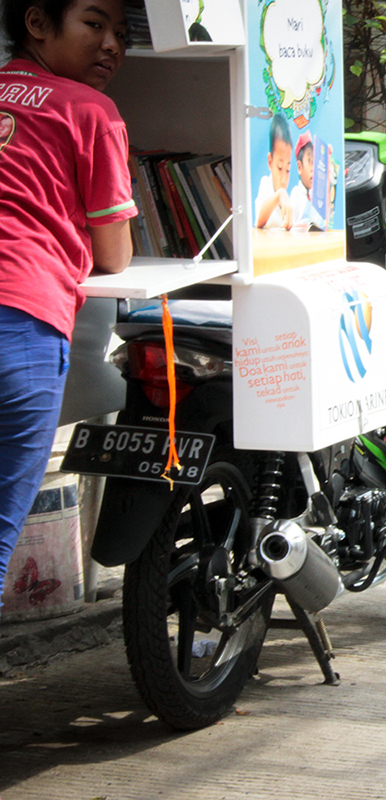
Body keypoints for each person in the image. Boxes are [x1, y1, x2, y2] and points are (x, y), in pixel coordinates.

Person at [0, 0, 135, 616]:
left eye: (121, 32)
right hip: (21, 318)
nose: (111, 43)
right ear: (36, 23)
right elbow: (114, 256)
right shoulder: (91, 112)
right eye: (94, 23)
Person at [255, 112, 292, 229]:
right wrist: (279, 195)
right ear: (270, 162)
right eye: (280, 168)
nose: (283, 179)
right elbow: (260, 220)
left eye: (287, 170)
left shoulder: (288, 199)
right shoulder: (266, 184)